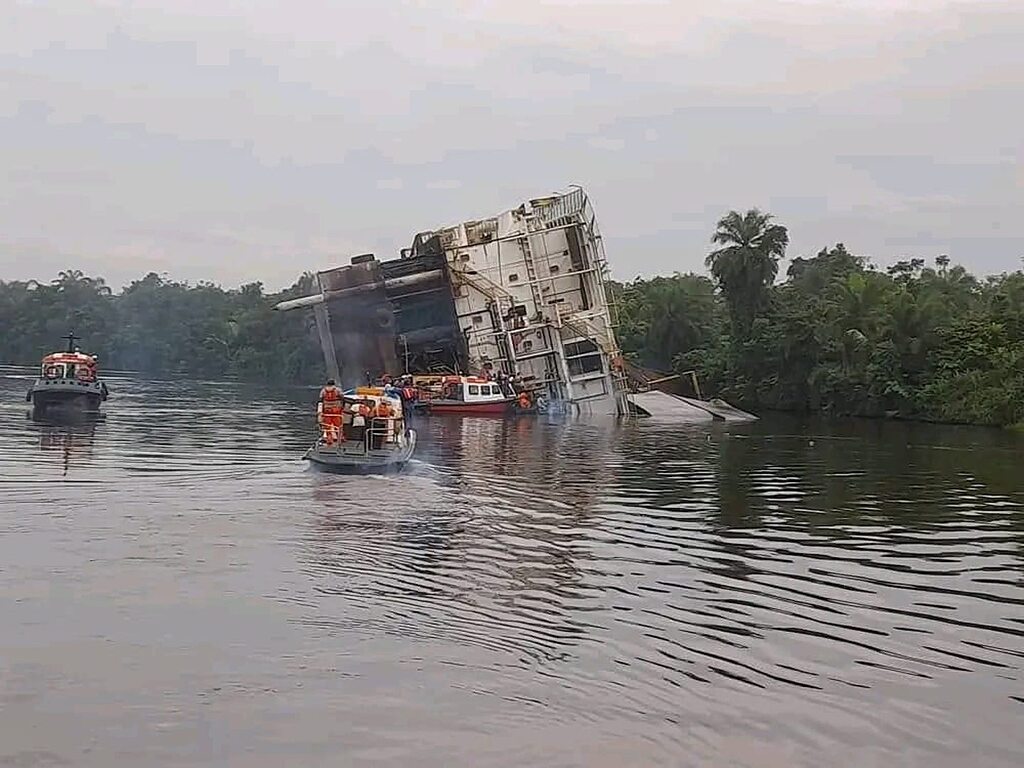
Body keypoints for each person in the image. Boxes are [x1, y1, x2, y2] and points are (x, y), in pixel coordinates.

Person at [318, 379, 344, 445]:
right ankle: (340, 438)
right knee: (338, 425)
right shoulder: (338, 390)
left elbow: (320, 400)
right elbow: (342, 398)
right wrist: (342, 406)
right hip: (336, 411)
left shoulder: (323, 391)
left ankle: (329, 438)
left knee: (327, 426)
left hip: (327, 411)